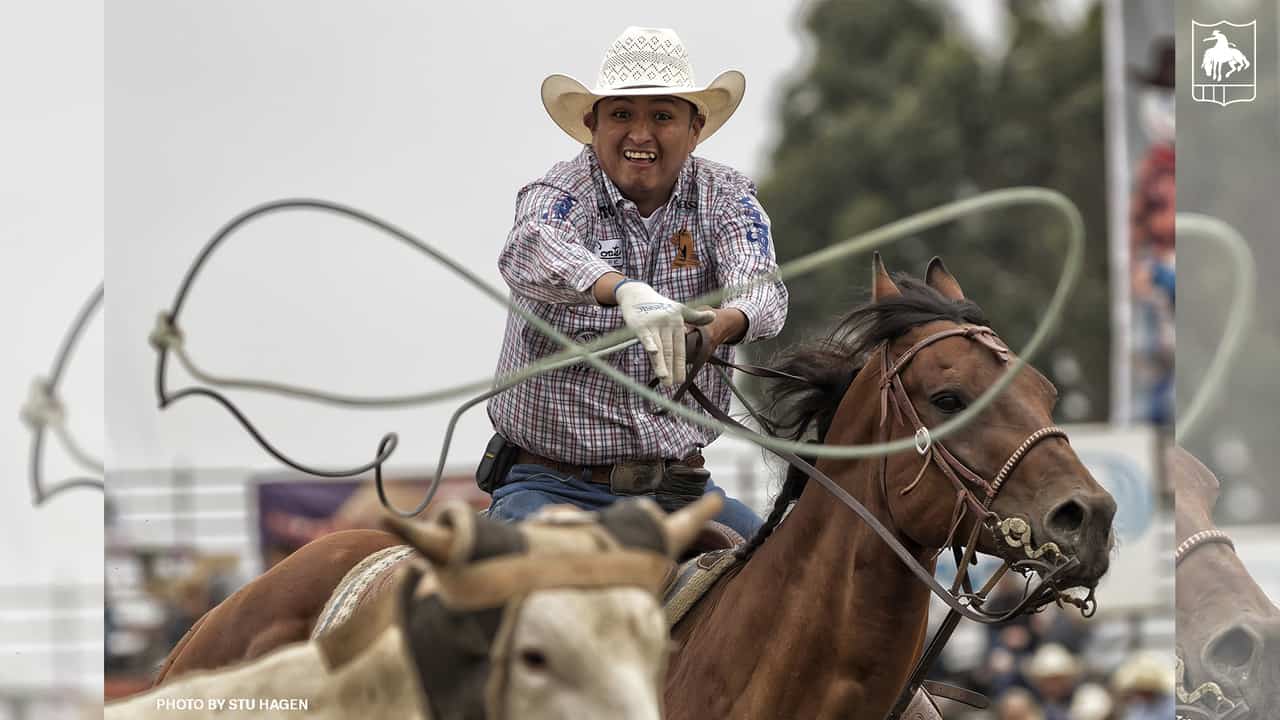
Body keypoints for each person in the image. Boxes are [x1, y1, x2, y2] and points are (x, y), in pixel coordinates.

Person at [483, 27, 788, 541]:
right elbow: (530, 247)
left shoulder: (726, 197)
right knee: (533, 601)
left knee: (781, 584)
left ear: (695, 128)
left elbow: (763, 291)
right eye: (622, 114)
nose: (641, 135)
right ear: (591, 125)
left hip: (678, 490)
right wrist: (622, 289)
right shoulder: (558, 194)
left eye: (662, 116)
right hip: (551, 486)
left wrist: (718, 326)